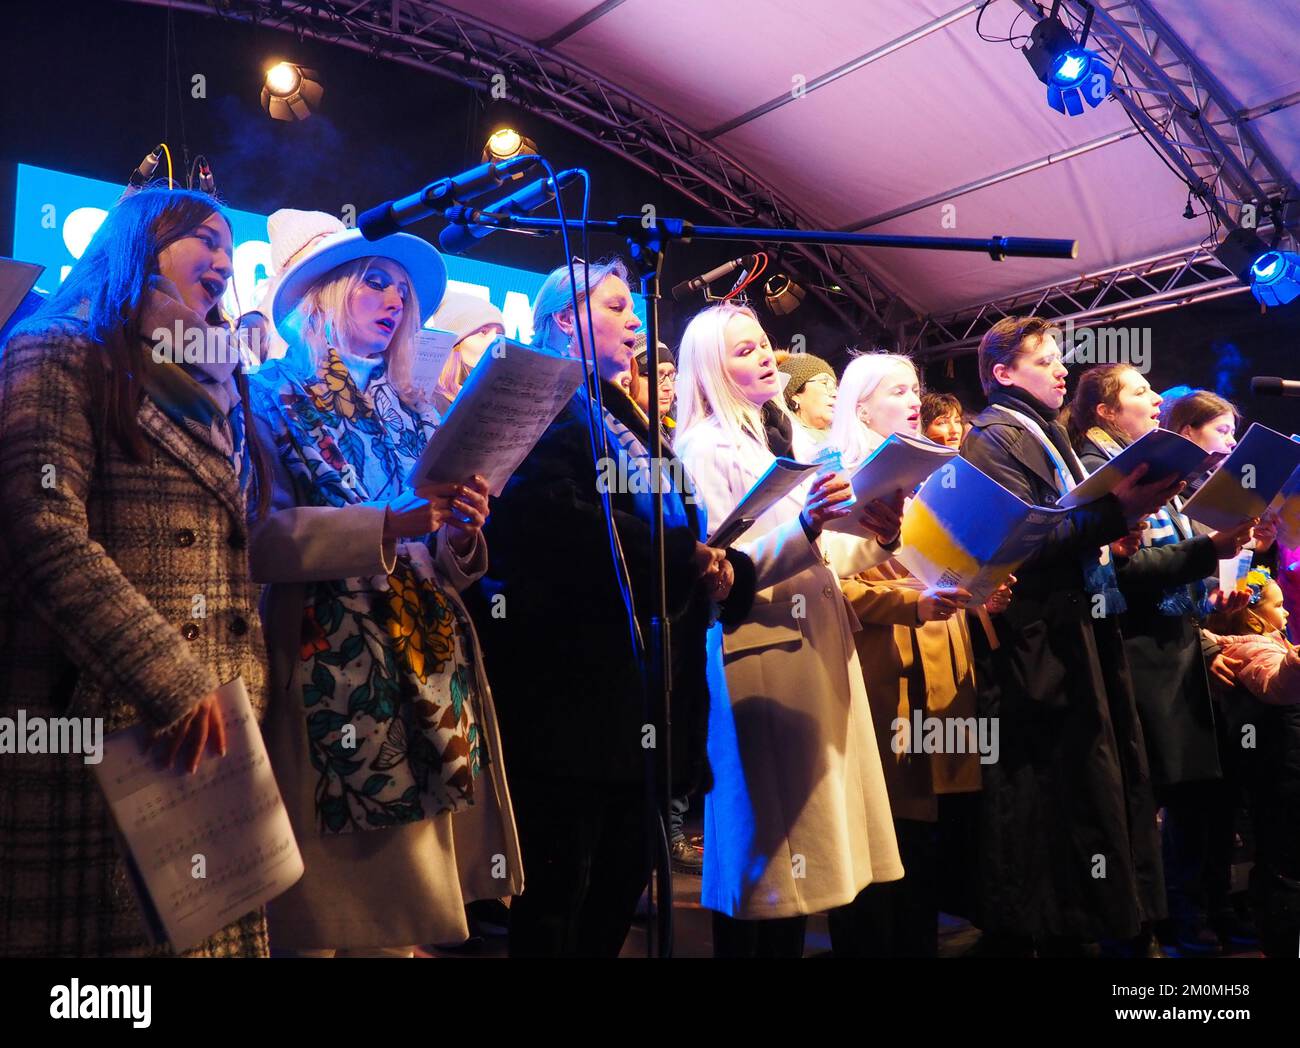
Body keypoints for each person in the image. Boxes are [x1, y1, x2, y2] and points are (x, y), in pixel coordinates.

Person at [0, 188, 273, 956]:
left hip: (212, 725)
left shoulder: (221, 384)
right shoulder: (59, 349)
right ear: (136, 244)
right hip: (112, 716)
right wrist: (166, 673)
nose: (224, 259)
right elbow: (41, 530)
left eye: (229, 245)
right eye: (203, 239)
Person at [247, 209, 521, 957]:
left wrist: (463, 530)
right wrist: (385, 526)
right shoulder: (266, 396)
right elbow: (260, 540)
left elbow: (444, 559)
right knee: (331, 908)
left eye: (404, 289)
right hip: (328, 666)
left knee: (406, 915)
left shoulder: (416, 408)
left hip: (428, 673)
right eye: (377, 281)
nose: (396, 299)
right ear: (324, 294)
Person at [472, 258, 752, 957]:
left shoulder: (626, 413)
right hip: (571, 702)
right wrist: (681, 555)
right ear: (565, 318)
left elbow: (684, 518)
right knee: (557, 902)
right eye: (617, 306)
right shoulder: (538, 403)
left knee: (617, 896)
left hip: (643, 703)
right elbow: (546, 523)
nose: (636, 321)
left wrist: (720, 566)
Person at [674, 302, 908, 958]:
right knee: (768, 865)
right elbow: (719, 567)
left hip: (817, 652)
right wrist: (805, 524)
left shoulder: (794, 445)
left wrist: (879, 531)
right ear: (709, 370)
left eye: (766, 345)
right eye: (744, 351)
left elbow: (829, 557)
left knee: (817, 854)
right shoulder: (702, 449)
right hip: (760, 658)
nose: (765, 358)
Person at [960, 316, 1184, 957]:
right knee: (1052, 796)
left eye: (1060, 358)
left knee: (1094, 787)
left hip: (1076, 628)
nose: (1062, 369)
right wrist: (1117, 510)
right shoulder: (995, 438)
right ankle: (1055, 928)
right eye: (1043, 360)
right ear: (1002, 374)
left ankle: (1095, 923)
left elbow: (1066, 528)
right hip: (1040, 644)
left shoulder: (1043, 431)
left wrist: (1115, 527)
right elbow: (1016, 544)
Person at [1069, 364, 1256, 954]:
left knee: (1198, 797)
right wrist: (1208, 551)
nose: (1155, 398)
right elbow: (1123, 570)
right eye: (1140, 392)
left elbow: (1172, 558)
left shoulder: (1154, 475)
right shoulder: (1112, 478)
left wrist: (1218, 575)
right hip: (1141, 652)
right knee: (1162, 800)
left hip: (1176, 648)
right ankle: (1169, 924)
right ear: (1104, 411)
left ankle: (1203, 912)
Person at [827, 353, 991, 955]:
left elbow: (948, 563)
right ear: (862, 404)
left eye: (915, 387)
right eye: (898, 390)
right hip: (881, 671)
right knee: (882, 834)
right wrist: (910, 603)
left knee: (928, 842)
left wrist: (985, 587)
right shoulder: (842, 474)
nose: (915, 398)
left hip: (945, 667)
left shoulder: (934, 475)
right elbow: (831, 588)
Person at [1203, 568, 1300, 957]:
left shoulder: (1270, 641)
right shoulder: (1249, 649)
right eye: (1280, 606)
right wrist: (1295, 663)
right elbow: (1277, 686)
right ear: (1256, 617)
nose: (1289, 613)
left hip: (1285, 773)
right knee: (1285, 869)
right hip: (1280, 777)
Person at [429, 291, 506, 417]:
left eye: (499, 335)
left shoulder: (496, 402)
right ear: (455, 342)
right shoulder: (429, 400)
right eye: (483, 332)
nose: (495, 342)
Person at [776, 350, 837, 456]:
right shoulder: (786, 443)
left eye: (835, 386)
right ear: (795, 395)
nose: (835, 393)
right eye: (824, 383)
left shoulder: (848, 433)